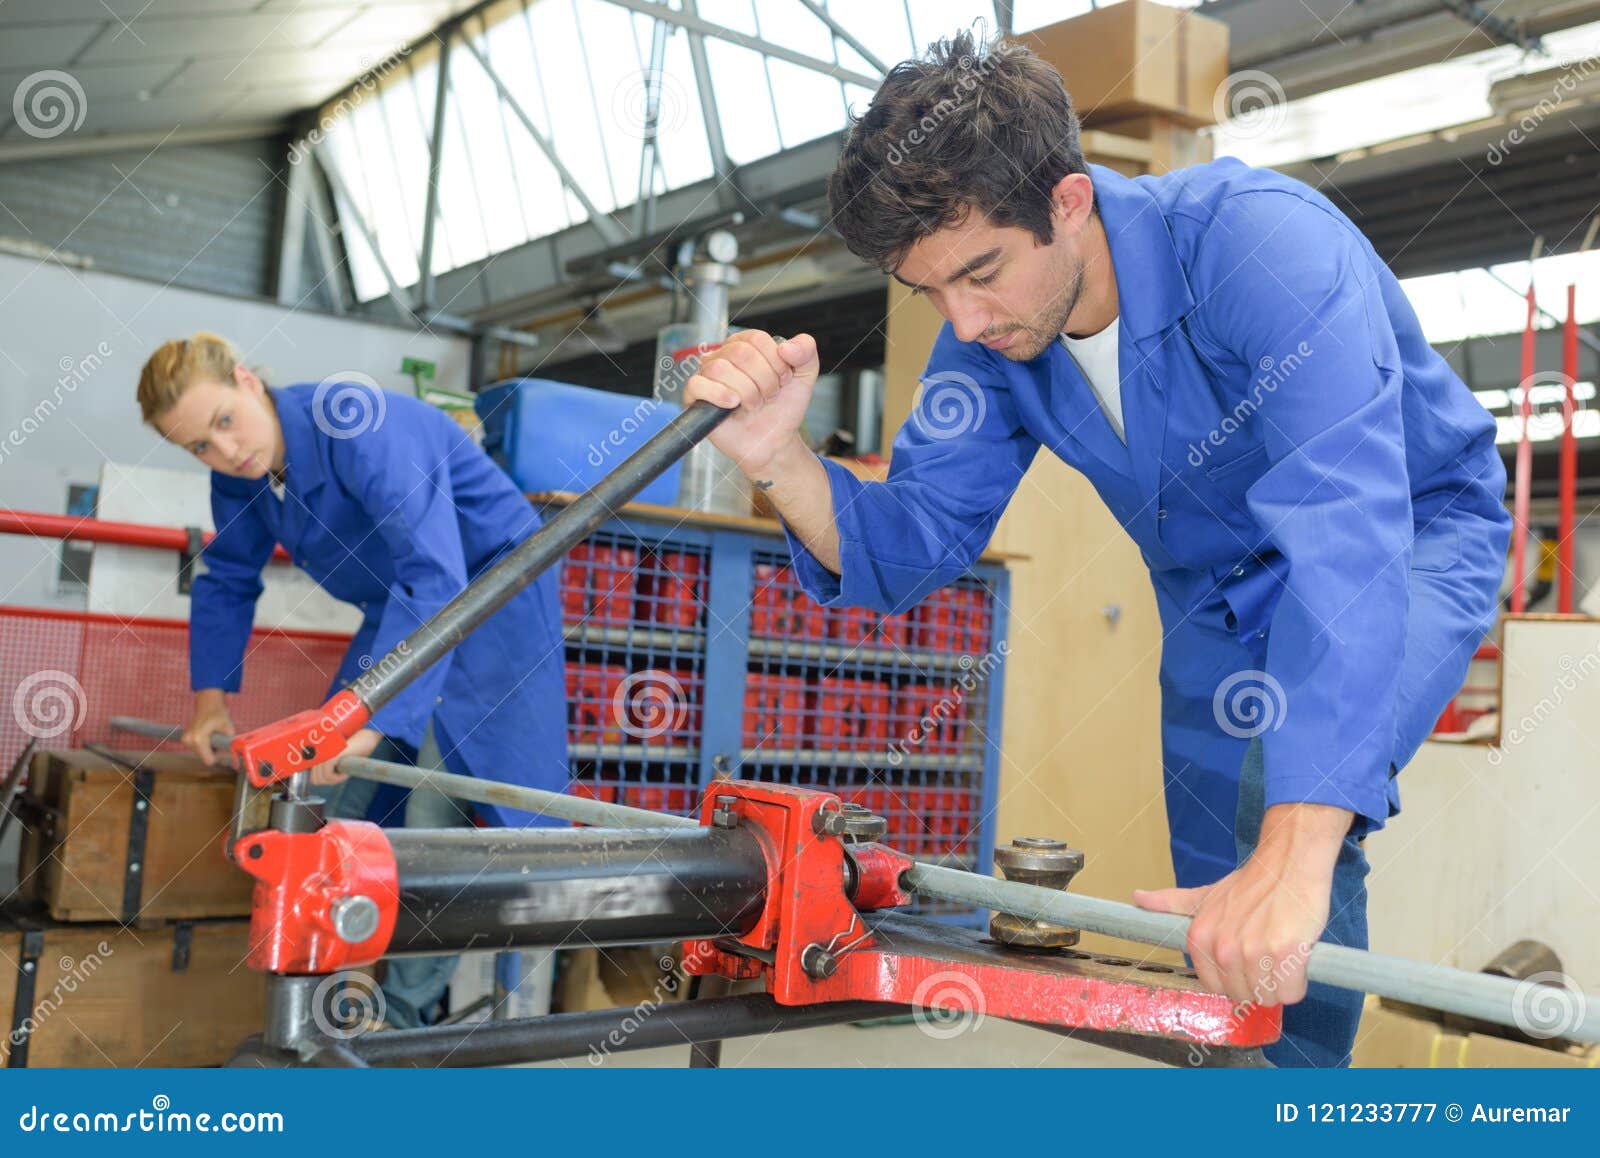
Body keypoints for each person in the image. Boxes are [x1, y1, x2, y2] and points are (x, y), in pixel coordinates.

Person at [682, 35, 1510, 1067]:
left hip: (1411, 530)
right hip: (1210, 592)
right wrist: (782, 461)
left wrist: (1300, 854)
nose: (965, 321)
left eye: (979, 273)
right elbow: (914, 545)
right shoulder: (989, 335)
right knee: (1216, 891)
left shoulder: (1264, 245)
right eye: (930, 291)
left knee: (1282, 822)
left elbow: (1345, 534)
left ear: (1068, 201)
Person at [136, 333, 570, 1028]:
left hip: (492, 597)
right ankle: (325, 1013)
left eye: (223, 422)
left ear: (248, 381)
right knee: (335, 804)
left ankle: (398, 1029)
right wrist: (209, 703)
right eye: (199, 448)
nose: (224, 452)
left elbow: (438, 574)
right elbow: (229, 579)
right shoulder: (240, 474)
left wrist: (371, 725)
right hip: (405, 606)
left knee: (436, 813)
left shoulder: (356, 423)